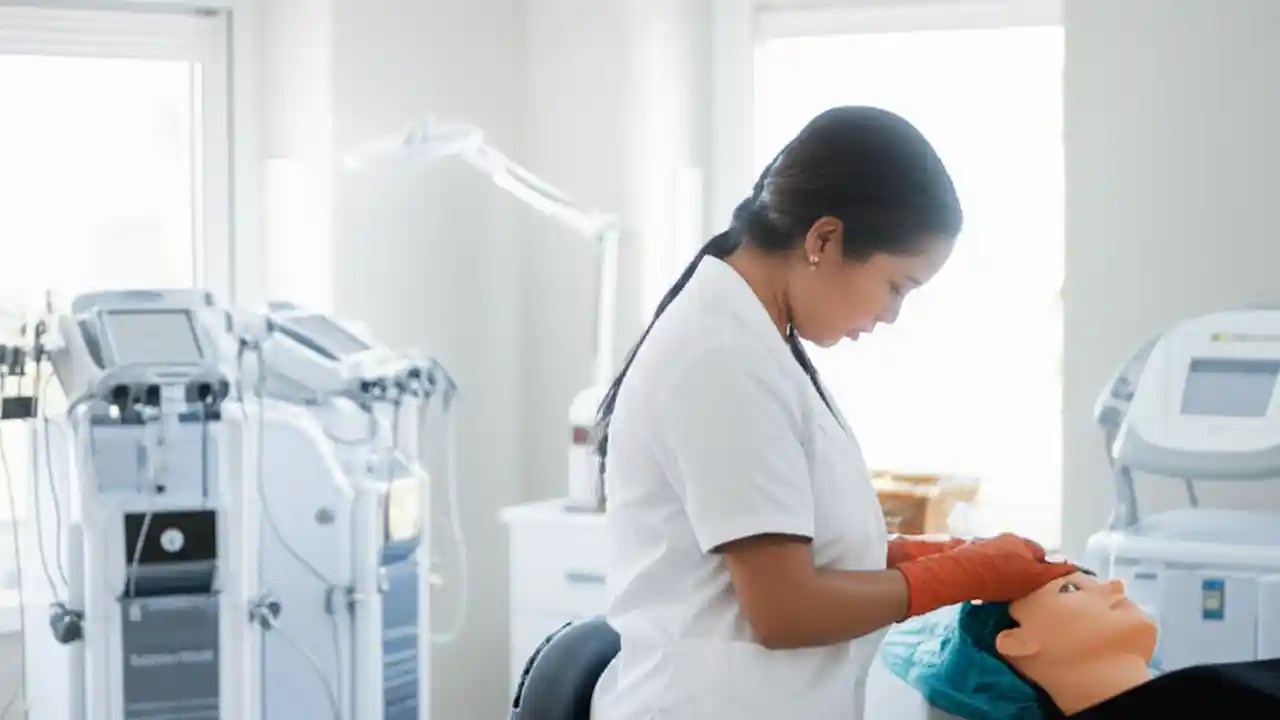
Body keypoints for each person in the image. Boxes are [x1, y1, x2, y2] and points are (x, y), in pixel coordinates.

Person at [586, 106, 1076, 720]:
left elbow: (793, 544)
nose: (892, 314)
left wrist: (936, 555)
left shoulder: (758, 342)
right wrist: (963, 575)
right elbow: (785, 610)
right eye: (898, 286)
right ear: (823, 238)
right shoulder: (722, 357)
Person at [962, 570, 1280, 718]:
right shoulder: (1196, 694)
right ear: (1017, 641)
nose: (1115, 584)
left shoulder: (1194, 691)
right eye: (1070, 589)